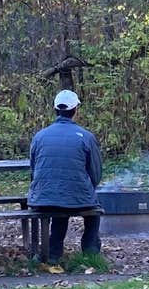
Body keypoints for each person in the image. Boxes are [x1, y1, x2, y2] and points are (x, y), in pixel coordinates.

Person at [29, 89, 102, 267]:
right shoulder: (86, 137)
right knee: (93, 212)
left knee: (59, 207)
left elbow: (33, 170)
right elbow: (96, 174)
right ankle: (90, 253)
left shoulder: (39, 136)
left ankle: (53, 254)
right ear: (76, 110)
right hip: (77, 198)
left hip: (42, 198)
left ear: (55, 110)